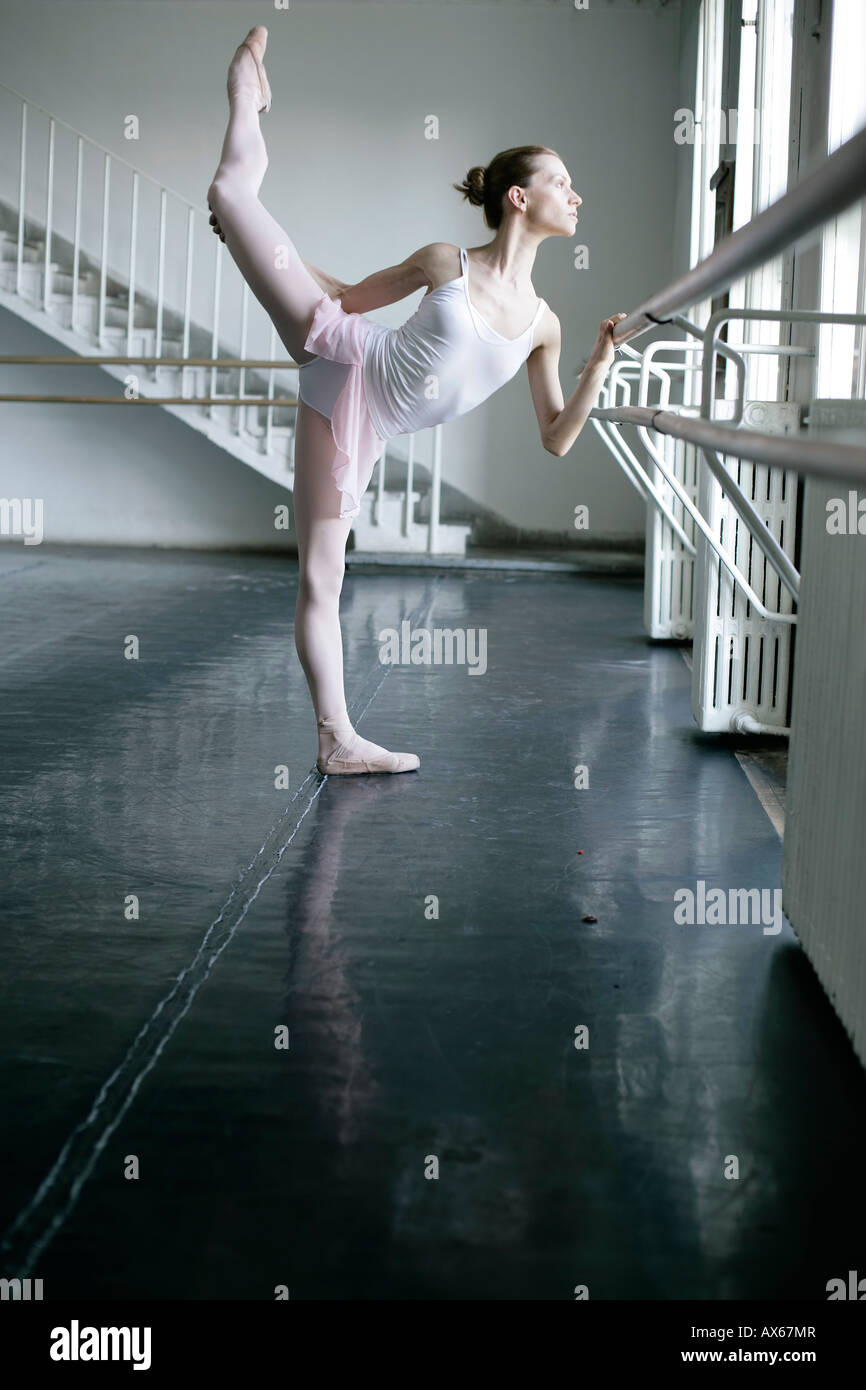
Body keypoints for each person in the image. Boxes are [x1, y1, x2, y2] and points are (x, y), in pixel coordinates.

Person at [207, 26, 626, 776]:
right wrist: (256, 247)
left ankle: (336, 742)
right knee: (232, 196)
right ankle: (247, 91)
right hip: (344, 355)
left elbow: (557, 437)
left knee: (323, 578)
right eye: (562, 181)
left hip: (368, 426)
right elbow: (344, 299)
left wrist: (598, 362)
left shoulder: (546, 325)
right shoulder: (446, 263)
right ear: (519, 198)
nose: (577, 193)